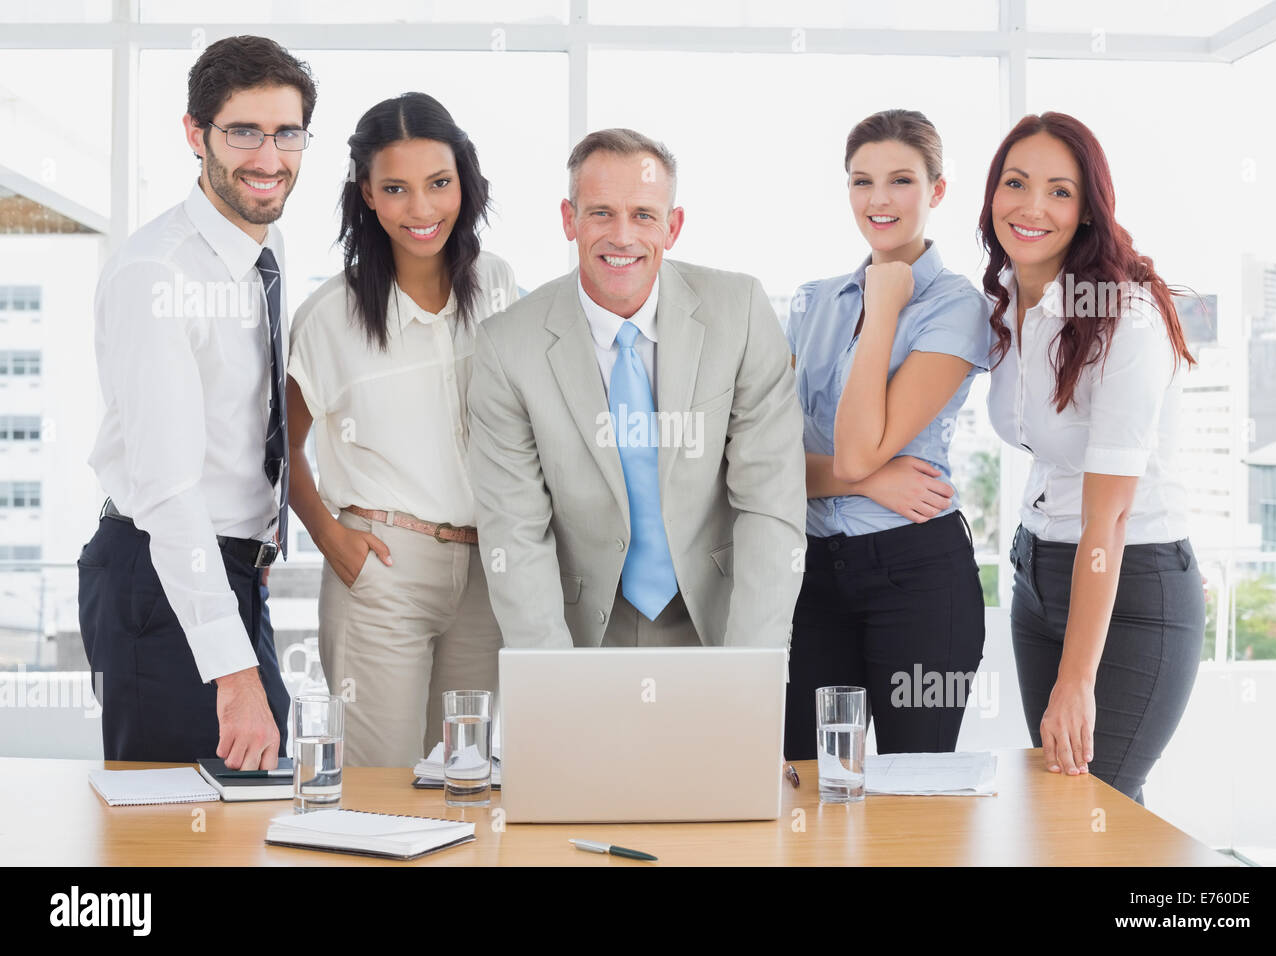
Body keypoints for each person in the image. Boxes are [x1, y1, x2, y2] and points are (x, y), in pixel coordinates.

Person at [468, 128, 805, 650]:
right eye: (601, 212)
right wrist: (555, 679)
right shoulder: (506, 346)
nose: (622, 236)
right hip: (580, 627)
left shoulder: (739, 312)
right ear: (568, 219)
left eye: (643, 215)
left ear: (672, 227)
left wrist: (748, 665)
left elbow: (769, 501)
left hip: (721, 614)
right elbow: (515, 531)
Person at [79, 36, 317, 767]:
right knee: (175, 827)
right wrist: (234, 671)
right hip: (164, 573)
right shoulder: (159, 272)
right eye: (243, 131)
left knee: (246, 813)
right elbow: (169, 490)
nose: (268, 158)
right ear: (195, 133)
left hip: (227, 573)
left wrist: (254, 545)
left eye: (287, 133)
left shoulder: (256, 259)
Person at [286, 93, 515, 768]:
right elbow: (281, 450)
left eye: (438, 184)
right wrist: (333, 540)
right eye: (396, 189)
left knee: (459, 778)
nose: (422, 210)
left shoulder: (498, 285)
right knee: (378, 786)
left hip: (483, 573)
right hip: (382, 568)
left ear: (463, 183)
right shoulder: (330, 316)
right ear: (367, 194)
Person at [981, 112, 1203, 803]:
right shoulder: (1010, 303)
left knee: (1097, 806)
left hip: (1130, 583)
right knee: (1060, 807)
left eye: (1059, 191)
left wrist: (1077, 680)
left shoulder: (1126, 317)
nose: (1031, 206)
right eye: (1015, 183)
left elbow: (1108, 520)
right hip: (1036, 572)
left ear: (1087, 212)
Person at [782, 110, 992, 760]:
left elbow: (849, 448)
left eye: (901, 180)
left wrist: (885, 306)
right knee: (804, 782)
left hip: (918, 575)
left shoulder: (958, 306)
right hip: (810, 574)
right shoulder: (811, 302)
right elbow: (765, 461)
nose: (878, 199)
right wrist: (870, 477)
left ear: (937, 189)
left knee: (915, 794)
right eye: (860, 180)